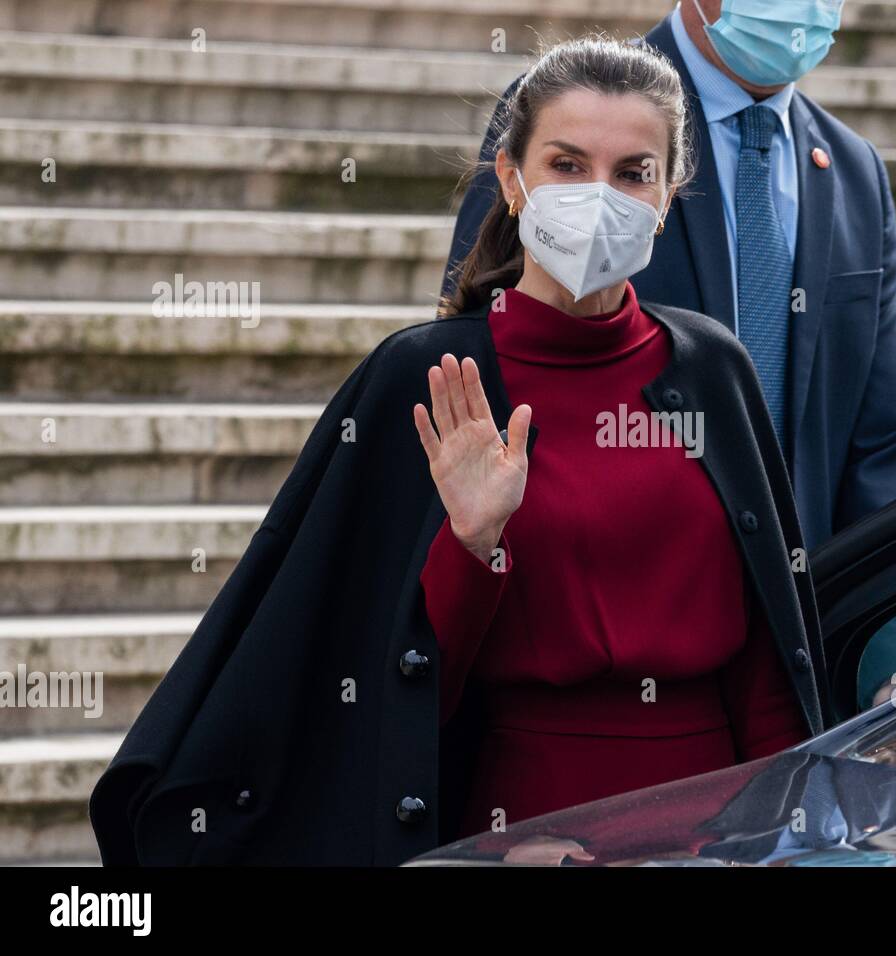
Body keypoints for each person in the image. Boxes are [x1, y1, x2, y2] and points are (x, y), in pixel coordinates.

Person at [89, 36, 829, 866]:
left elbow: (770, 664)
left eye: (632, 173)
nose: (599, 196)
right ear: (512, 180)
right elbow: (372, 688)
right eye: (566, 164)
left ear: (667, 196)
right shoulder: (432, 375)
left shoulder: (711, 365)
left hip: (715, 826)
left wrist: (779, 837)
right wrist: (473, 546)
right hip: (526, 828)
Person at [446, 1, 896, 713]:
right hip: (607, 672)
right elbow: (484, 362)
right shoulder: (584, 113)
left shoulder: (855, 172)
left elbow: (888, 441)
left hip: (789, 676)